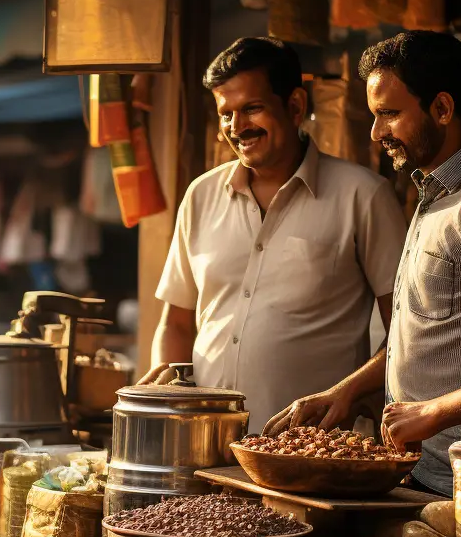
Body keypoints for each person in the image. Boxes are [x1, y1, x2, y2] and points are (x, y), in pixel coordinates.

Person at [266, 31, 461, 495]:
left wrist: (432, 412)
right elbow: (426, 335)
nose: (376, 133)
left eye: (389, 114)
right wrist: (349, 390)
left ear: (442, 109)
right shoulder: (433, 195)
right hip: (421, 475)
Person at [141, 36, 407, 433]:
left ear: (295, 105)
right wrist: (165, 400)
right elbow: (177, 324)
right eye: (226, 113)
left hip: (312, 450)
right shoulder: (200, 196)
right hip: (204, 447)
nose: (237, 127)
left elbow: (406, 334)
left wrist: (350, 392)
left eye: (252, 108)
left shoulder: (363, 196)